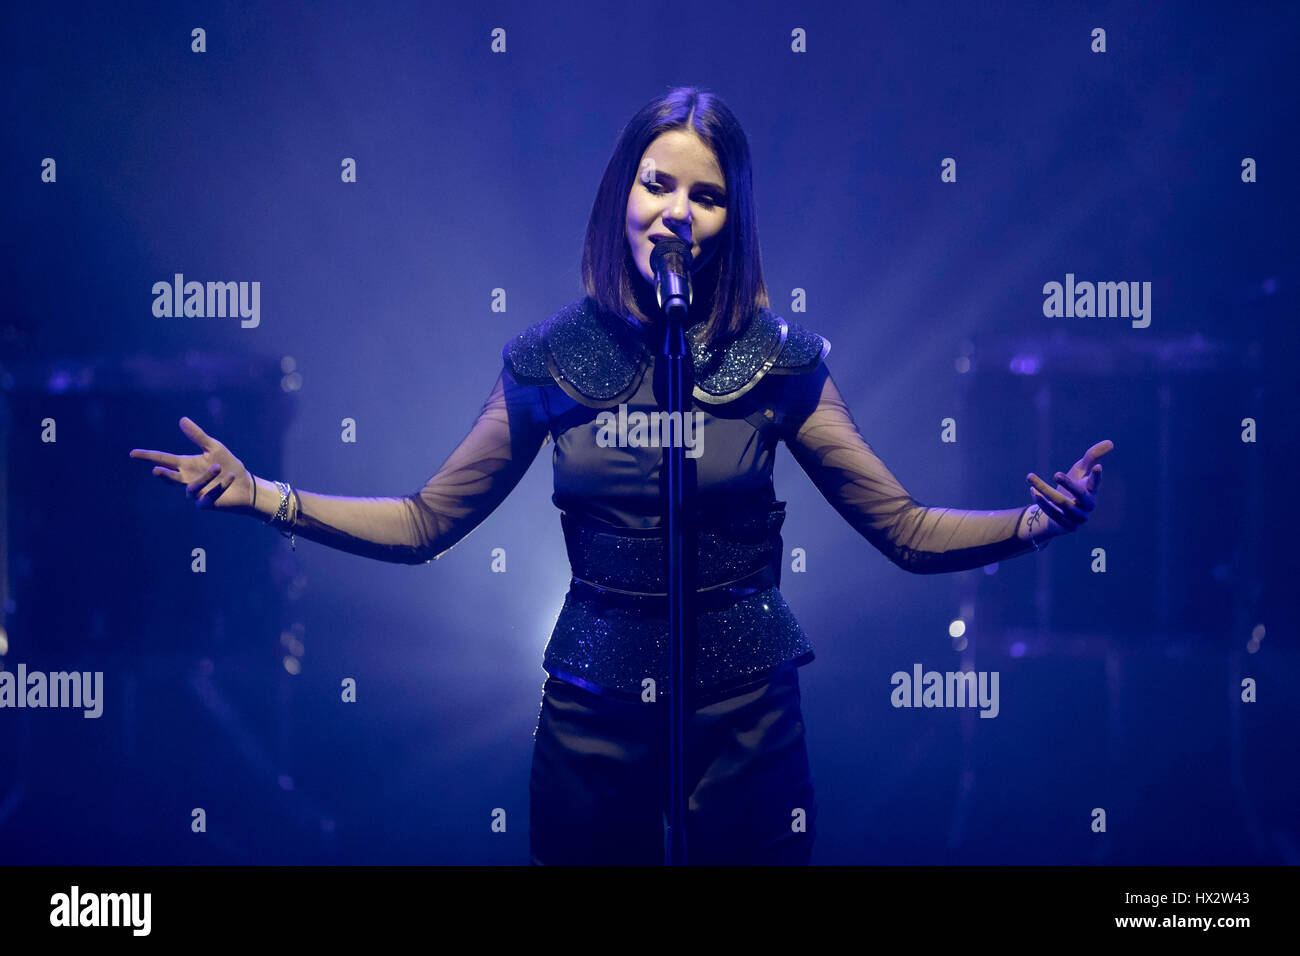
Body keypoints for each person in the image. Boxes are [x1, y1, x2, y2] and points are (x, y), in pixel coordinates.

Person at [130, 86, 1112, 865]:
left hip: (744, 718)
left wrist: (1034, 523)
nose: (676, 210)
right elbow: (428, 519)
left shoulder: (779, 359)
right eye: (657, 184)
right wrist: (263, 494)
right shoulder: (551, 357)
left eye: (705, 193)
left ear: (731, 218)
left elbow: (900, 527)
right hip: (591, 715)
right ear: (621, 196)